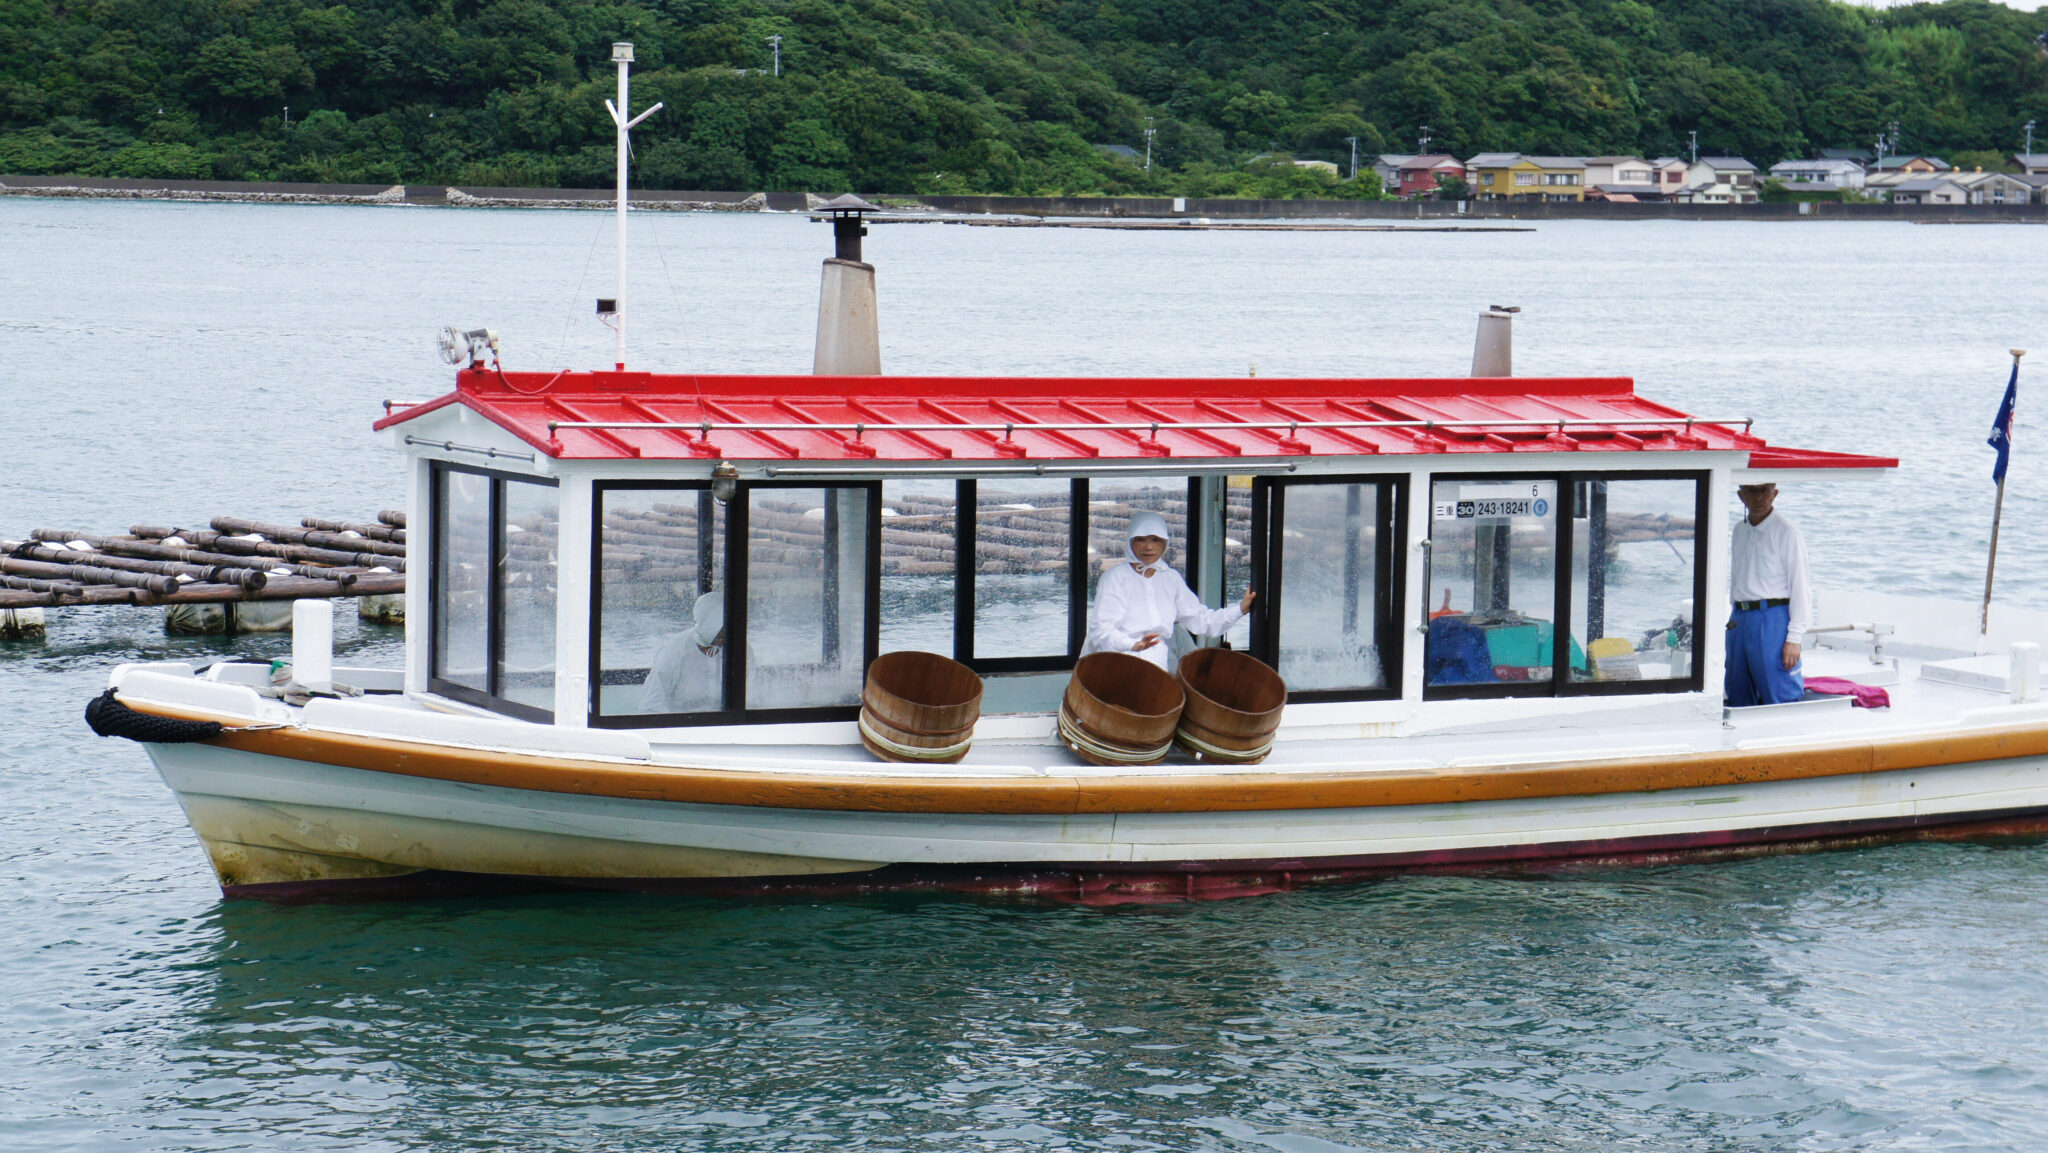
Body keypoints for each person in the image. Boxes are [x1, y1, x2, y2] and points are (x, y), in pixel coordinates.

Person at [1086, 511, 1256, 672]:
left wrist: (1239, 610)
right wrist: (1132, 644)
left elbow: (1200, 619)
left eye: (1155, 539)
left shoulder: (1170, 578)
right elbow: (1101, 630)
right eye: (1140, 539)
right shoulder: (1115, 577)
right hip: (1117, 659)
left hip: (1157, 663)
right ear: (1130, 542)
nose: (1148, 546)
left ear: (1165, 543)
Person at [1726, 482, 1810, 706]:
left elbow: (1800, 586)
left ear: (1775, 494)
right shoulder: (1739, 530)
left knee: (1779, 691)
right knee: (1737, 690)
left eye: (1765, 491)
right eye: (1752, 491)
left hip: (1772, 617)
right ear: (1741, 495)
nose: (1759, 497)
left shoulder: (1787, 533)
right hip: (1740, 617)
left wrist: (1794, 638)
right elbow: (1736, 575)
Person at [641, 591, 726, 713]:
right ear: (709, 623)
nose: (726, 632)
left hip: (727, 727)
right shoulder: (675, 650)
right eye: (722, 626)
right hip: (681, 727)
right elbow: (652, 704)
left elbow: (752, 696)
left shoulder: (740, 649)